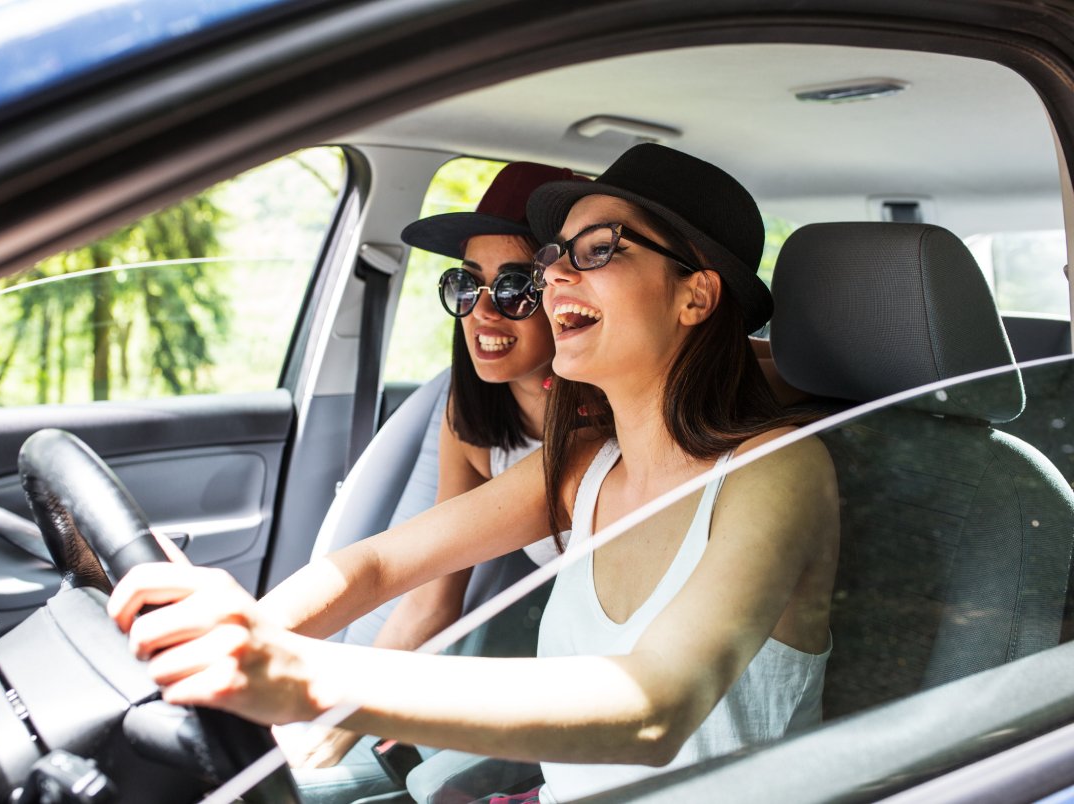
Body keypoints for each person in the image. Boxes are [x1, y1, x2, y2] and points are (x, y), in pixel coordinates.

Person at [107, 143, 839, 803]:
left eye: (598, 250)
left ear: (696, 296)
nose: (553, 274)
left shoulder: (777, 474)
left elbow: (654, 709)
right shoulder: (583, 465)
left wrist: (301, 676)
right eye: (556, 253)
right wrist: (227, 636)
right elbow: (378, 565)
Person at [289, 161, 582, 782]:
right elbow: (428, 596)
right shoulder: (470, 416)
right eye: (467, 286)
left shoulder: (605, 423)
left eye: (513, 288)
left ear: (569, 295)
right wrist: (335, 726)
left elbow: (385, 567)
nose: (483, 312)